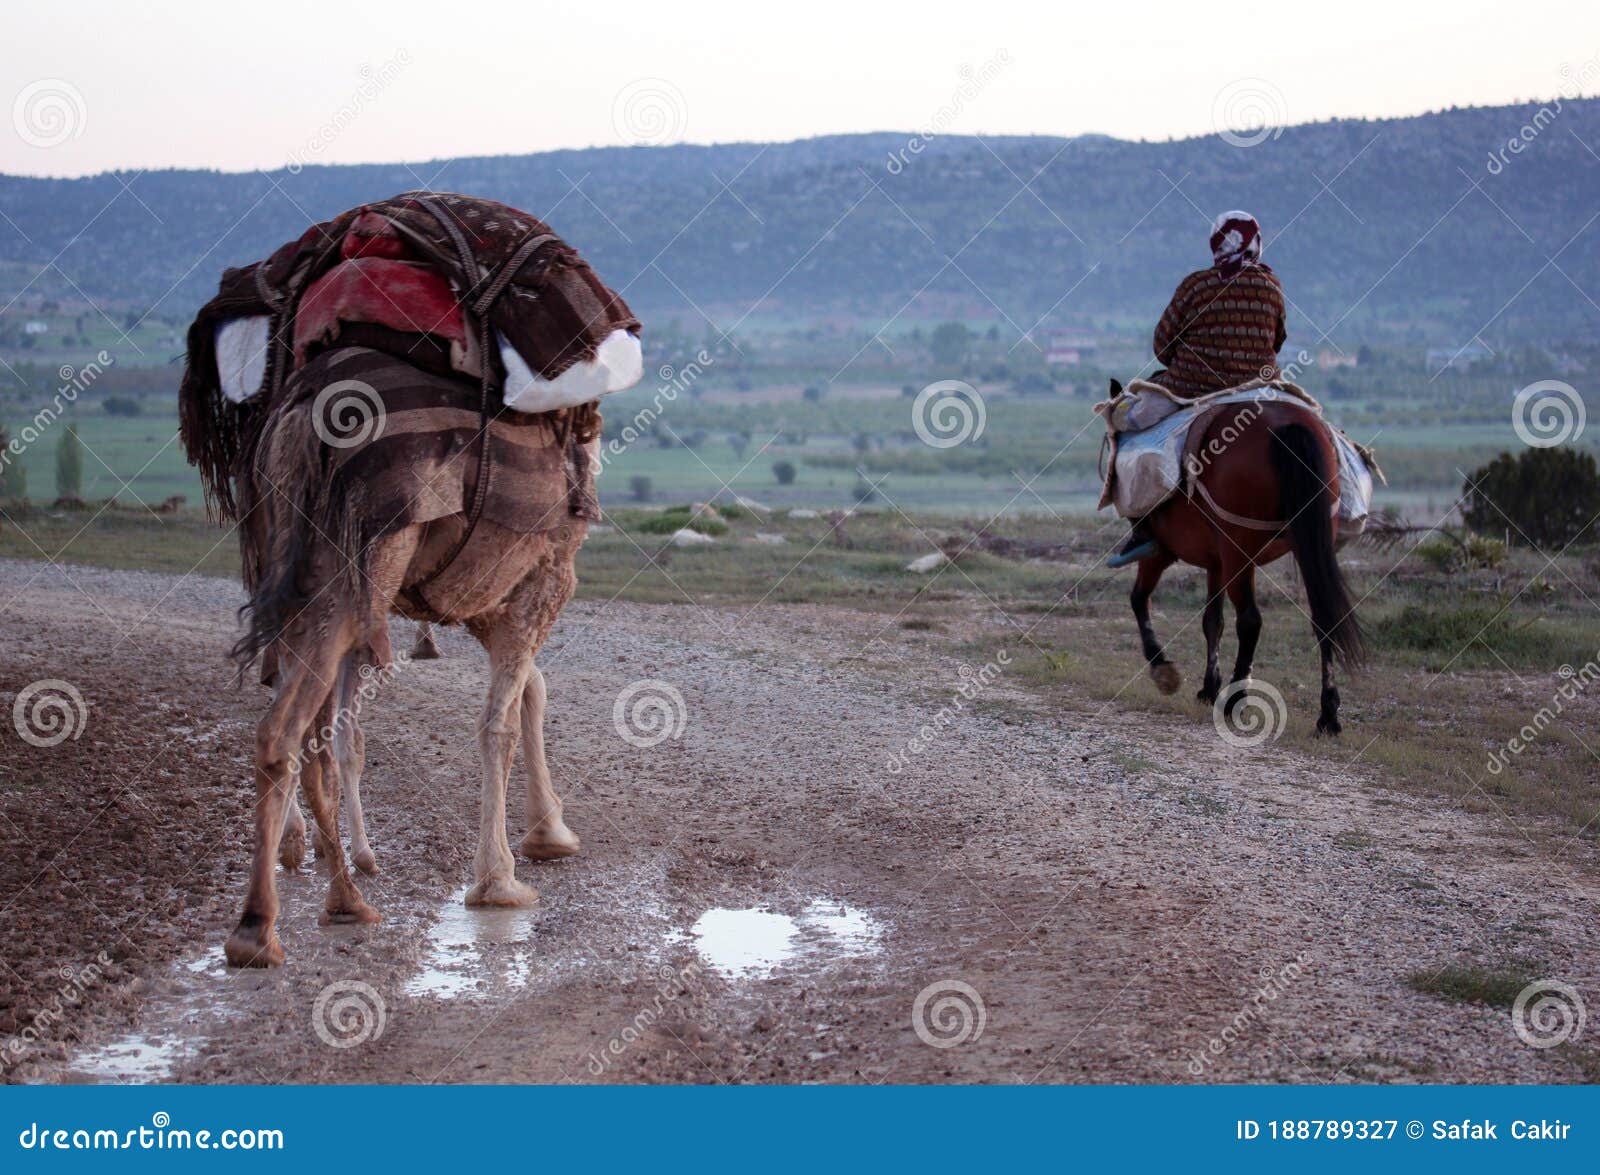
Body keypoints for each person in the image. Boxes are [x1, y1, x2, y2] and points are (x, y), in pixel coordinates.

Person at [1107, 210, 1288, 567]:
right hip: (1260, 387)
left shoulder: (1196, 285)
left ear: (1216, 243)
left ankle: (1142, 528)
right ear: (1256, 243)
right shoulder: (1271, 286)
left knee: (1129, 426)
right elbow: (1278, 340)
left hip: (1191, 388)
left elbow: (1162, 344)